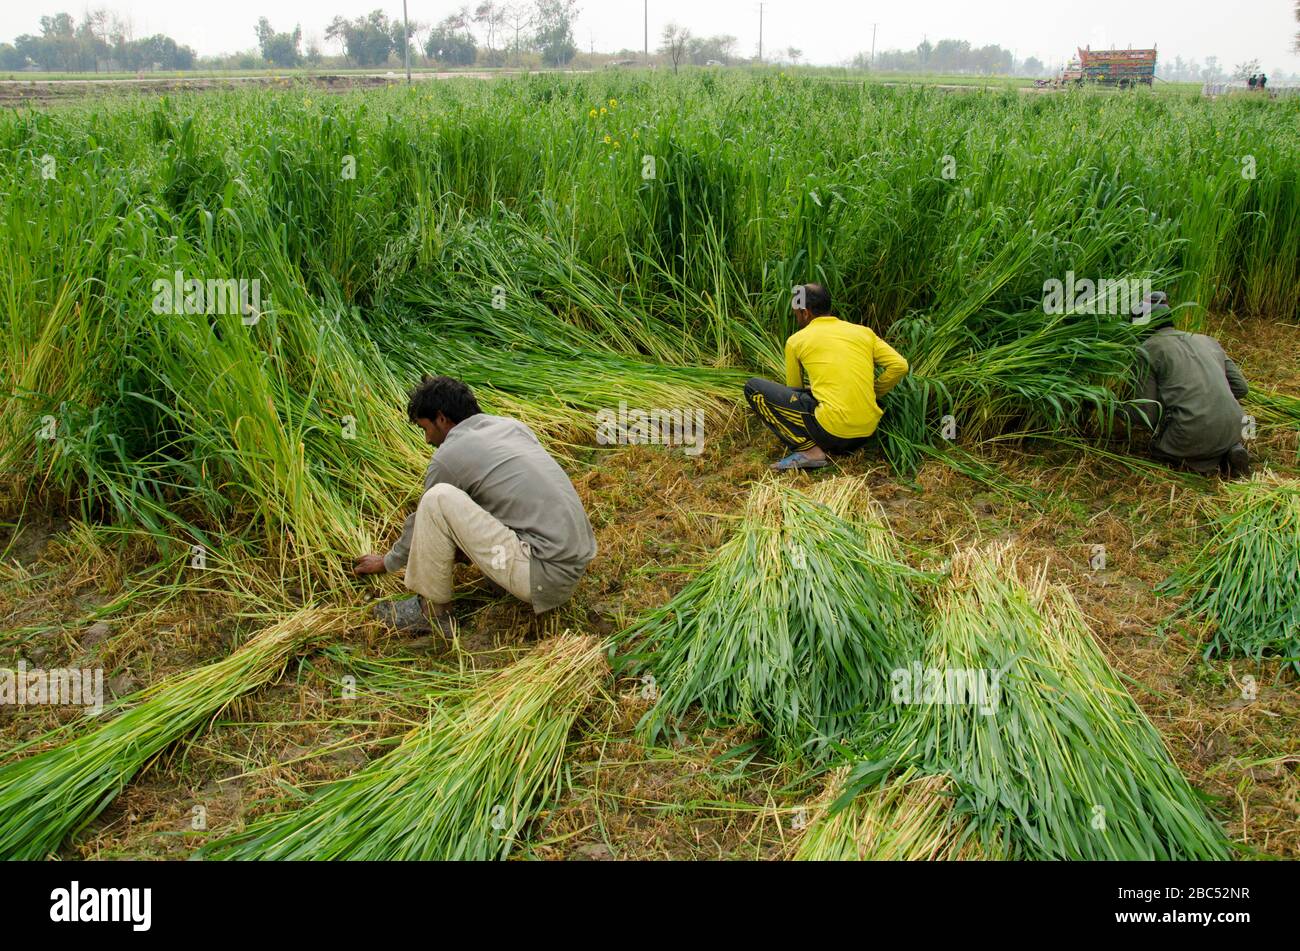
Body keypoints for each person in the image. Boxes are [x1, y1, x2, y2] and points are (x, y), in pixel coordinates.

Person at [355, 375, 597, 635]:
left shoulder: (448, 456)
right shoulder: (511, 426)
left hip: (543, 576)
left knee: (437, 499)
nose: (427, 440)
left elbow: (422, 521)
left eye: (426, 429)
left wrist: (387, 562)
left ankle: (431, 613)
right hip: (573, 563)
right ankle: (504, 580)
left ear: (441, 418)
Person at [744, 283, 909, 471]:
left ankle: (809, 452)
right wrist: (874, 391)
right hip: (866, 432)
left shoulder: (797, 340)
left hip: (833, 434)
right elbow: (900, 365)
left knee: (753, 387)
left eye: (796, 313)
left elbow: (793, 390)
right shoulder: (863, 332)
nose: (796, 317)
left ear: (805, 312)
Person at [1125, 292, 1251, 478]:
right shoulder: (1207, 340)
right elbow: (1241, 388)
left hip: (1187, 435)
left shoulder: (1147, 349)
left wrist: (1110, 405)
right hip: (1236, 427)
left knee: (1158, 451)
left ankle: (1205, 459)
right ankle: (1228, 452)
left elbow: (1146, 415)